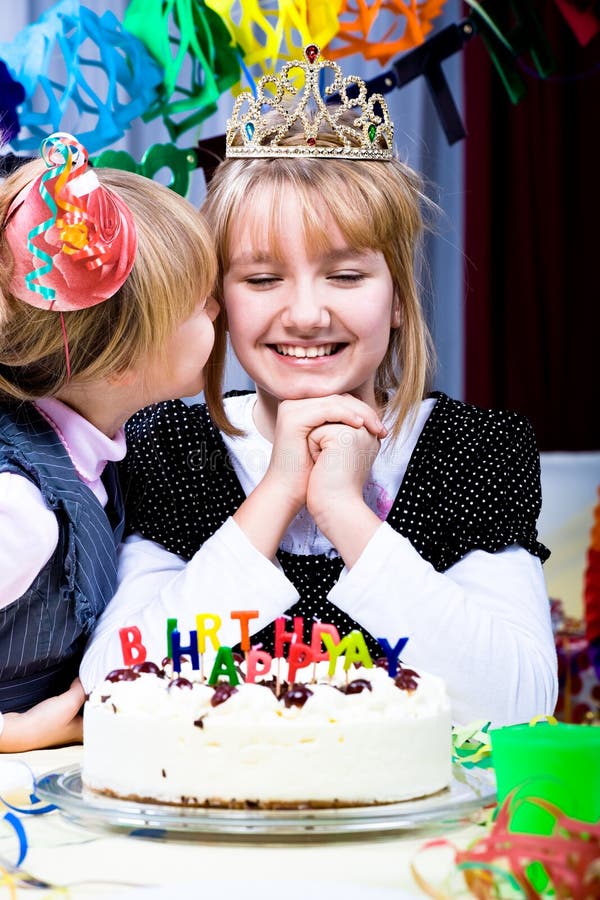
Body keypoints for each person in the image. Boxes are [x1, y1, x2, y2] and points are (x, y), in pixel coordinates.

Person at [81, 47, 558, 727]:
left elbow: (517, 706)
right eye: (263, 279)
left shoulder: (473, 449)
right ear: (218, 299)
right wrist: (278, 493)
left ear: (398, 297)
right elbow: (111, 691)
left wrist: (342, 509)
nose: (306, 313)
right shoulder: (171, 449)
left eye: (345, 275)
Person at [0, 132, 223, 750]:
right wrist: (13, 734)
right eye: (198, 306)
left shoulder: (108, 444)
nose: (217, 311)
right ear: (122, 361)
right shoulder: (18, 509)